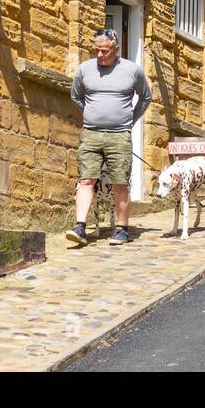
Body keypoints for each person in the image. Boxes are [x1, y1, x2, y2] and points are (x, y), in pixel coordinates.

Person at [67, 28, 153, 246]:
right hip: (91, 133)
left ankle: (122, 229)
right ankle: (80, 227)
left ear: (116, 49)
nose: (100, 55)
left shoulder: (133, 71)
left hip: (119, 136)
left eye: (104, 51)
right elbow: (76, 96)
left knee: (120, 182)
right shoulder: (84, 69)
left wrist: (130, 120)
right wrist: (91, 113)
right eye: (97, 50)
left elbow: (145, 97)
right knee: (86, 179)